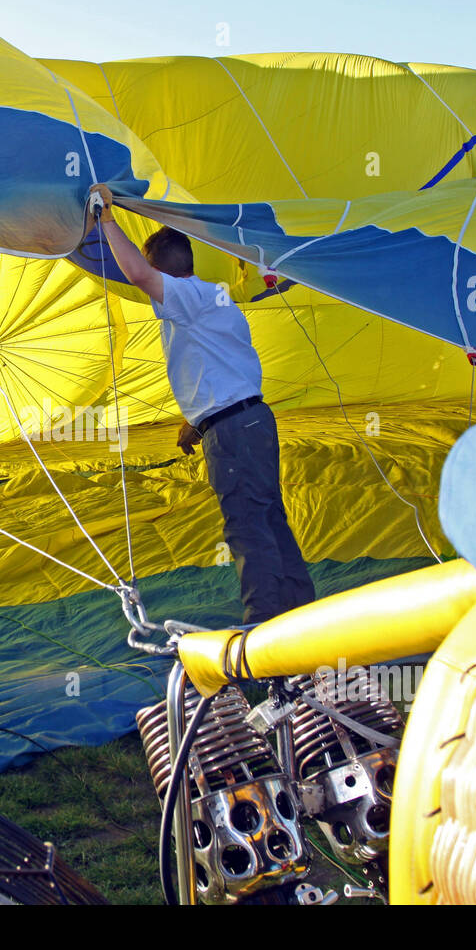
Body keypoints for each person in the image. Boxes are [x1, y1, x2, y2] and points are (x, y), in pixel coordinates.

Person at [88, 183, 315, 624]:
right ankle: (302, 613)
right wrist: (197, 421)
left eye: (158, 281)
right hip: (250, 419)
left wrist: (107, 218)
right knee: (270, 517)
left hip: (233, 432)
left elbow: (136, 274)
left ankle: (262, 630)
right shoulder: (218, 298)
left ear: (166, 275)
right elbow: (220, 365)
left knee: (246, 526)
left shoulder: (186, 297)